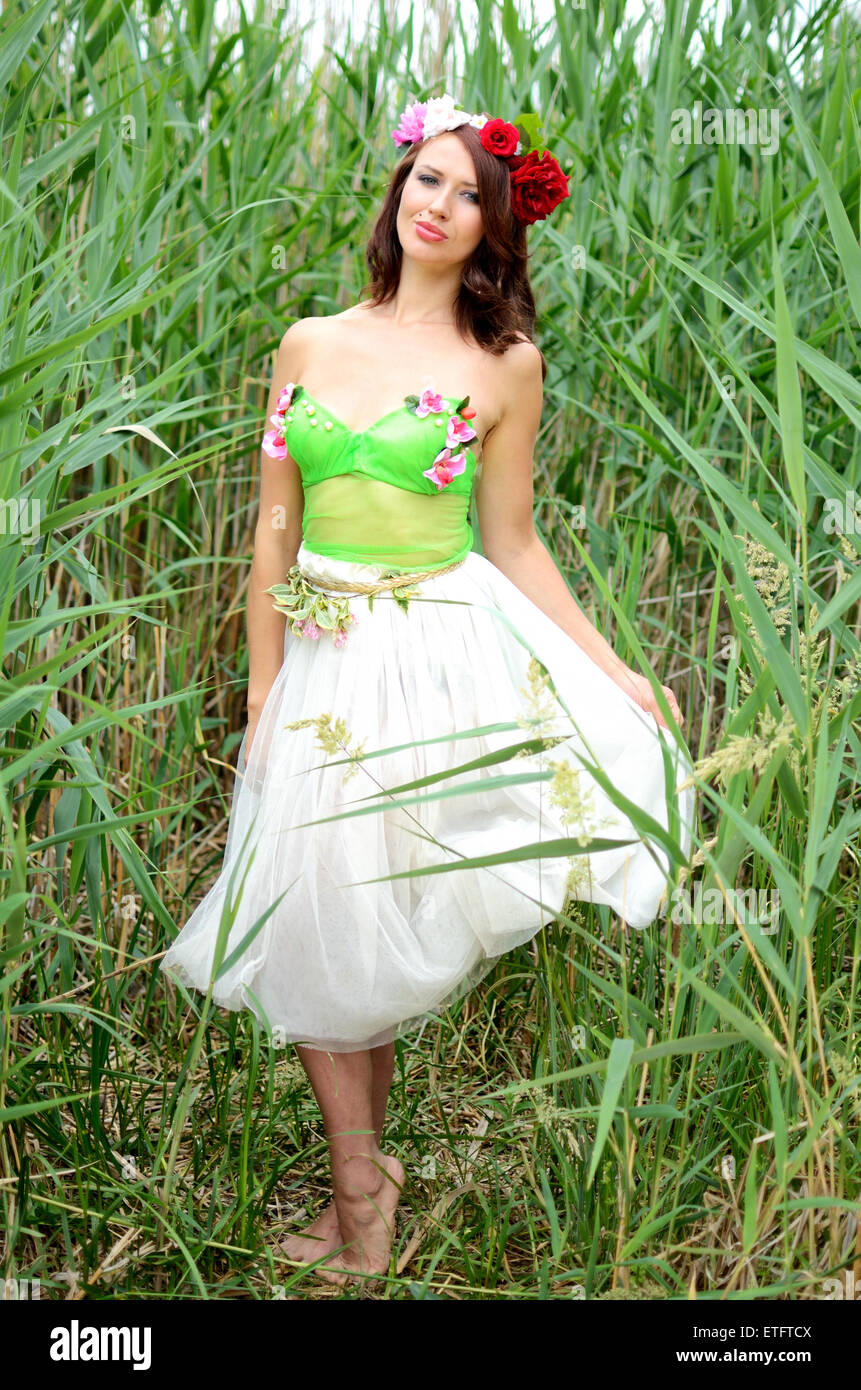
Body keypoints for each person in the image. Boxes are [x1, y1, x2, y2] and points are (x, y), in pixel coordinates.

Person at [160, 93, 696, 1288]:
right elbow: (276, 527)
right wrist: (261, 693)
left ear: (495, 227)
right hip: (325, 656)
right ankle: (366, 1187)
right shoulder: (311, 341)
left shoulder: (505, 364)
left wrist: (613, 671)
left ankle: (361, 1205)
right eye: (425, 181)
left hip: (438, 651)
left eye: (467, 192)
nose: (438, 204)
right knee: (313, 917)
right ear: (396, 194)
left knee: (370, 917)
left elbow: (513, 542)